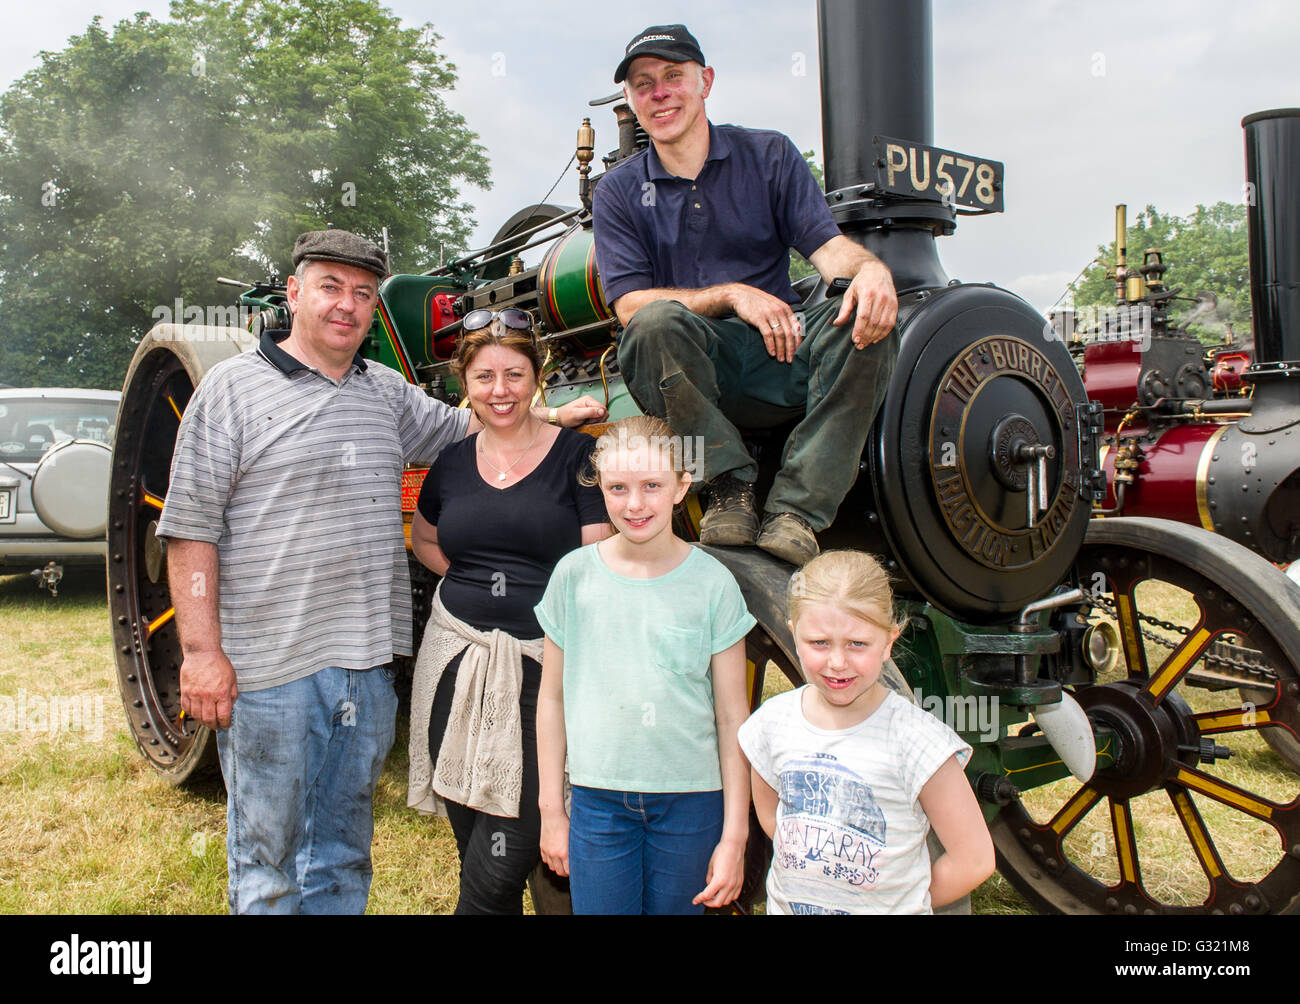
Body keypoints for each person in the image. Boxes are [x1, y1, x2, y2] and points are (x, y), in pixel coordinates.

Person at [159, 230, 603, 914]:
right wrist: (199, 652)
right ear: (295, 293)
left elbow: (479, 424)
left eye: (363, 293)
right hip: (269, 672)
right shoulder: (230, 390)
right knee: (267, 863)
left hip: (366, 671)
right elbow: (189, 528)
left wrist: (556, 414)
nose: (347, 305)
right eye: (331, 287)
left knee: (342, 855)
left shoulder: (387, 392)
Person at [592, 24, 901, 567]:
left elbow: (830, 251)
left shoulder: (769, 155)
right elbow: (629, 306)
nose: (659, 93)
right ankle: (727, 490)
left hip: (778, 355)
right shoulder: (618, 191)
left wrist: (872, 271)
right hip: (690, 374)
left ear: (705, 81)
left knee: (862, 319)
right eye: (643, 84)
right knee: (653, 325)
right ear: (630, 100)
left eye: (673, 76)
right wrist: (733, 294)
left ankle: (797, 512)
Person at [406, 309, 611, 914]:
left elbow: (594, 559)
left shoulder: (577, 456)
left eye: (515, 375)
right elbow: (424, 539)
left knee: (499, 865)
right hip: (454, 665)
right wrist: (468, 579)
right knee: (472, 835)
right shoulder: (451, 461)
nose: (500, 391)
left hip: (540, 673)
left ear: (537, 376)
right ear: (463, 382)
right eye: (485, 376)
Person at [534, 416, 755, 914]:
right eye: (618, 488)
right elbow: (551, 697)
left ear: (681, 488)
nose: (635, 505)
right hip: (598, 801)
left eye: (652, 486)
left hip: (692, 802)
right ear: (600, 489)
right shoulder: (573, 577)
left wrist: (735, 838)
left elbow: (732, 717)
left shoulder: (714, 584)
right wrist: (552, 811)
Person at [737, 550, 995, 914]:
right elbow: (772, 816)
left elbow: (974, 859)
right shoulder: (771, 723)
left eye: (858, 644)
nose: (838, 662)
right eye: (819, 643)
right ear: (794, 634)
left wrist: (902, 904)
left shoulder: (916, 740)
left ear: (889, 641)